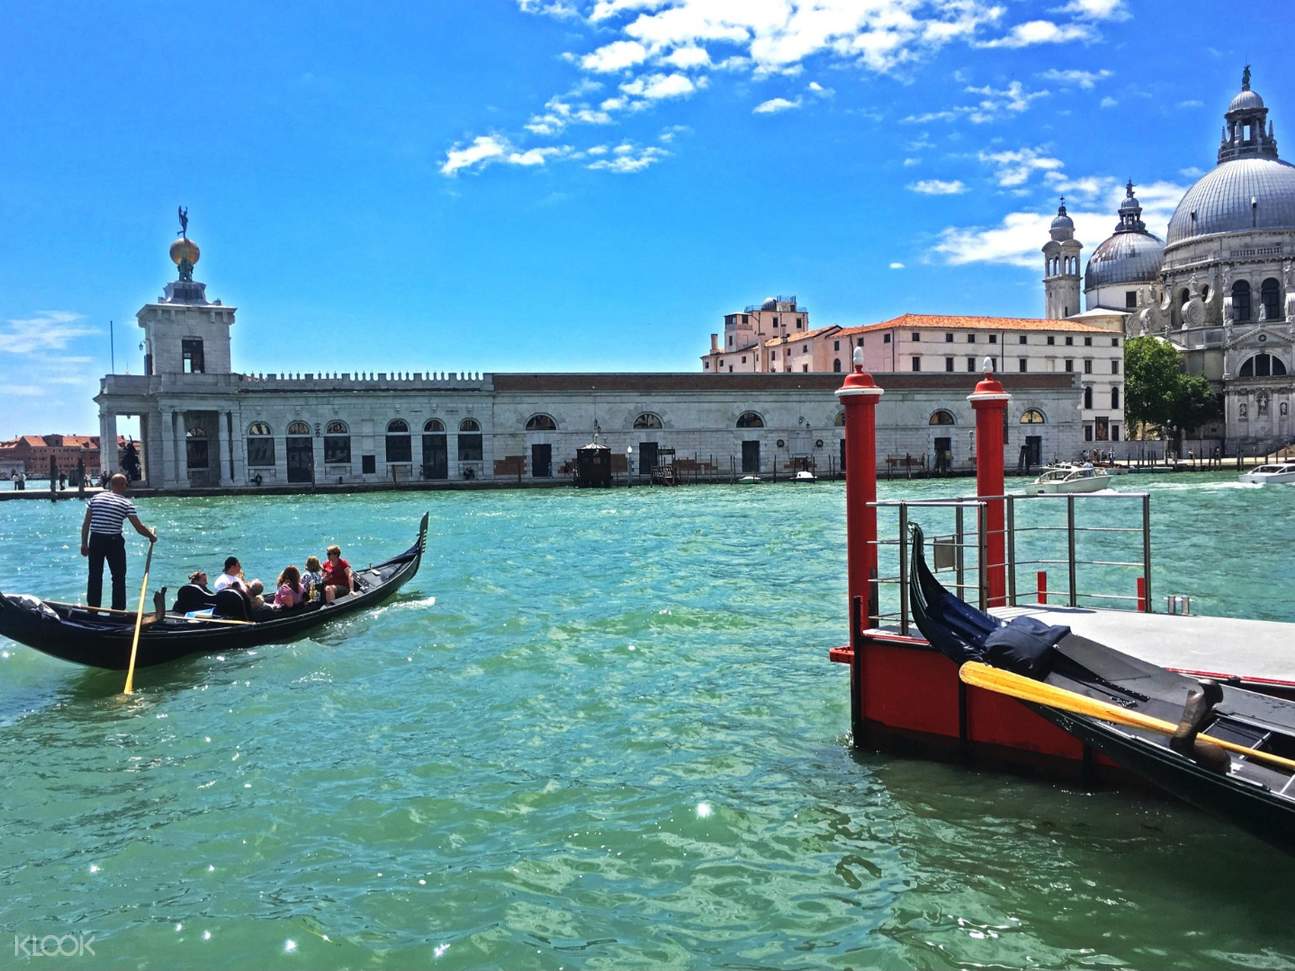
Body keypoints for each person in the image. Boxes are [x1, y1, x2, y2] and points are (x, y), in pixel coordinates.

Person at [80, 473, 156, 612]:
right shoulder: (126, 503)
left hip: (96, 539)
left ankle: (92, 610)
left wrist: (84, 543)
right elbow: (138, 527)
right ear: (120, 485)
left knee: (95, 575)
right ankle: (118, 611)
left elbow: (86, 523)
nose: (126, 487)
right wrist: (151, 536)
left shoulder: (96, 498)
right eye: (125, 484)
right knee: (118, 577)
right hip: (114, 542)